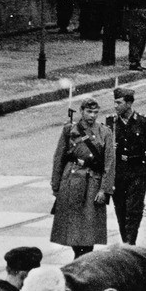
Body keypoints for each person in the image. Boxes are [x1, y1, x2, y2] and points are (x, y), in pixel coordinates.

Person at [51, 98, 116, 258]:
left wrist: (104, 189)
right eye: (89, 111)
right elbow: (59, 158)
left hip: (92, 182)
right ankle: (77, 255)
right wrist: (56, 184)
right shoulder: (70, 130)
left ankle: (84, 257)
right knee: (72, 225)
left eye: (95, 112)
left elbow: (109, 163)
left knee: (89, 227)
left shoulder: (105, 132)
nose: (92, 116)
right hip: (71, 181)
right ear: (81, 111)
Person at [106, 87, 146, 245]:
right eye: (115, 102)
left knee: (133, 211)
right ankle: (126, 242)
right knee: (121, 211)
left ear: (129, 103)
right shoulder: (111, 122)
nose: (115, 106)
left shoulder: (143, 122)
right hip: (118, 174)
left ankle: (130, 245)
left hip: (137, 172)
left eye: (119, 103)